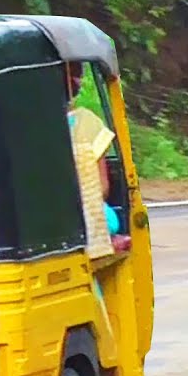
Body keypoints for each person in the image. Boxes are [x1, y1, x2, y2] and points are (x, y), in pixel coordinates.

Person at [65, 63, 121, 258]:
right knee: (111, 220)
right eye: (75, 73)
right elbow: (102, 188)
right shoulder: (86, 121)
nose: (79, 80)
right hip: (86, 219)